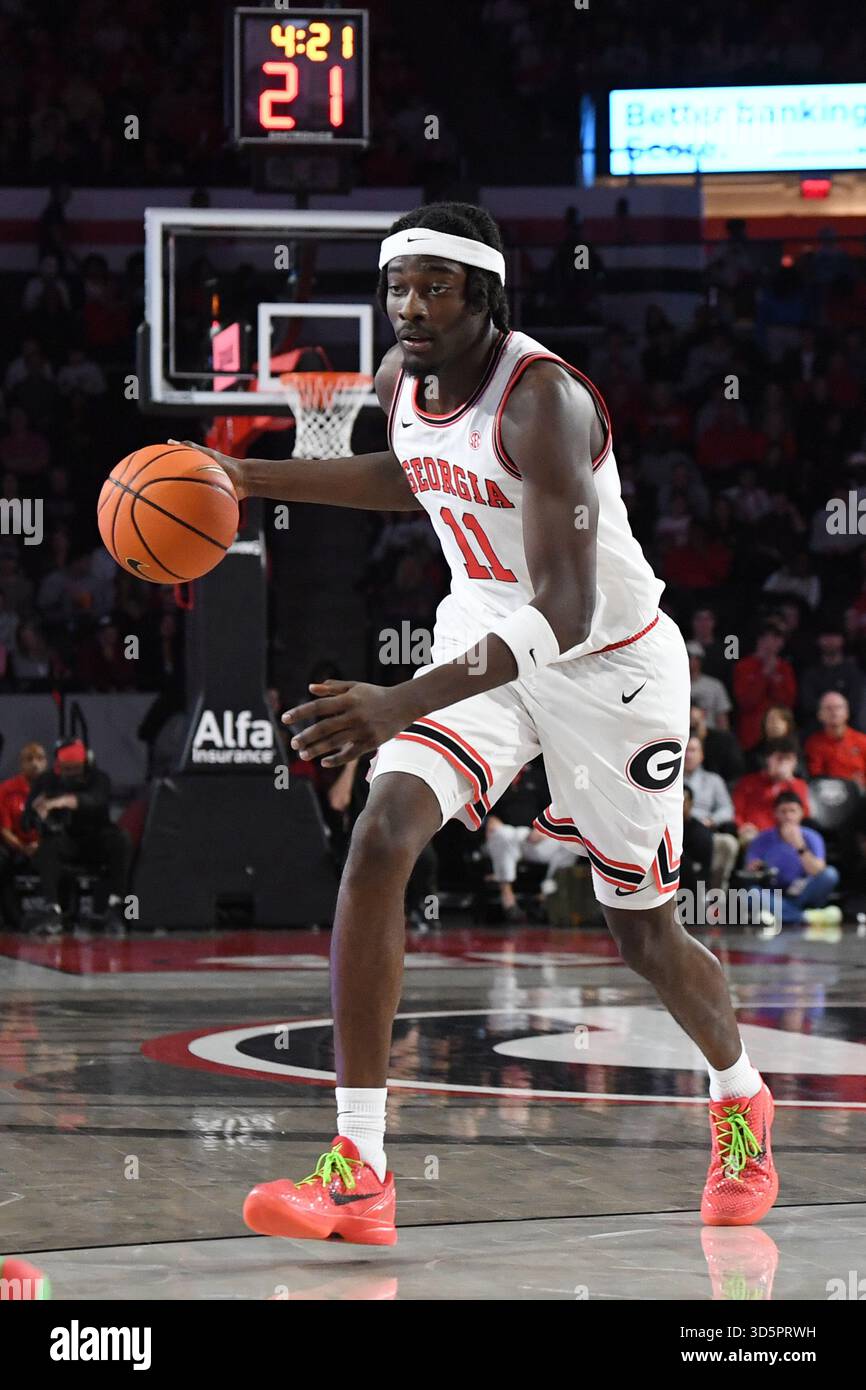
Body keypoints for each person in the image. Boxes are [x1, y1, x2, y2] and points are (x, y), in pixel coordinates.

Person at [182, 200, 778, 1239]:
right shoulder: (399, 378)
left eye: (434, 288)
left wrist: (397, 701)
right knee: (380, 835)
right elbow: (409, 478)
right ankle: (361, 1167)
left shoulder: (544, 401)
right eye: (397, 287)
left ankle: (740, 1099)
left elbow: (566, 609)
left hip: (607, 665)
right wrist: (249, 475)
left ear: (485, 296)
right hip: (484, 635)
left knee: (641, 931)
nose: (409, 307)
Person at [22, 739, 131, 934]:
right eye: (65, 769)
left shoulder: (99, 779)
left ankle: (117, 906)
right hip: (66, 840)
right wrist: (39, 815)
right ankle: (52, 910)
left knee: (121, 839)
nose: (70, 774)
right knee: (47, 847)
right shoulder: (47, 780)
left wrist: (62, 801)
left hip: (95, 839)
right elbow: (27, 820)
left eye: (74, 769)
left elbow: (95, 800)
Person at [746, 792, 840, 929]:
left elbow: (818, 871)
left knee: (830, 874)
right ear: (775, 814)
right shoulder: (762, 838)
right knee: (750, 894)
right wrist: (756, 868)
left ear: (801, 813)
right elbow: (750, 870)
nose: (788, 816)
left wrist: (799, 846)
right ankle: (807, 917)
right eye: (783, 811)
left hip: (803, 892)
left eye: (792, 811)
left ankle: (784, 914)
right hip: (773, 894)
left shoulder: (812, 837)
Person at [0, 742, 47, 928]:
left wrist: (39, 846)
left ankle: (63, 916)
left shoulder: (55, 791)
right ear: (21, 764)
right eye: (30, 759)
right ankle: (14, 918)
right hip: (15, 846)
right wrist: (22, 847)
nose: (35, 764)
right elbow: (4, 830)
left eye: (40, 759)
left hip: (44, 847)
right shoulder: (6, 790)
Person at [682, 736, 738, 889]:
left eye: (693, 750)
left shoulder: (713, 780)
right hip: (676, 829)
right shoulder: (670, 779)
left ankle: (715, 893)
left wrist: (712, 820)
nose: (688, 755)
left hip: (704, 828)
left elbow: (727, 809)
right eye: (685, 750)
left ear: (702, 755)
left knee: (728, 843)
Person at [733, 738, 811, 845]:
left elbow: (804, 813)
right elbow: (736, 811)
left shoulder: (799, 785)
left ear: (795, 763)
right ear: (768, 759)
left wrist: (789, 781)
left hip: (786, 835)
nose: (783, 763)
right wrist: (742, 826)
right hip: (753, 834)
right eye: (779, 758)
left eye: (788, 759)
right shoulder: (748, 781)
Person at [733, 625, 797, 752]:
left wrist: (774, 680)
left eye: (777, 639)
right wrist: (764, 674)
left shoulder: (785, 668)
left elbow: (788, 703)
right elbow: (745, 702)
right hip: (751, 735)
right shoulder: (744, 666)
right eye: (770, 638)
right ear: (760, 640)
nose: (773, 643)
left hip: (779, 734)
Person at [799, 634, 865, 734]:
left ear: (842, 640)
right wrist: (827, 714)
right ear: (819, 640)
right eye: (826, 637)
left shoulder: (854, 673)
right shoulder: (810, 673)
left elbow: (855, 704)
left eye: (834, 636)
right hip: (816, 728)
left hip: (850, 727)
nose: (830, 641)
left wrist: (838, 713)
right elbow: (808, 704)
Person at [804, 691, 866, 788]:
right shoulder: (814, 744)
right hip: (830, 792)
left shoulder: (862, 740)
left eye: (838, 707)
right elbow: (816, 777)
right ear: (820, 715)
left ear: (847, 713)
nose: (834, 712)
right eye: (828, 708)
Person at [687, 642, 731, 731]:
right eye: (689, 657)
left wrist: (724, 736)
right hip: (684, 734)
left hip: (710, 733)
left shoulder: (714, 685)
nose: (692, 662)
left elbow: (722, 718)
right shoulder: (675, 686)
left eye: (696, 658)